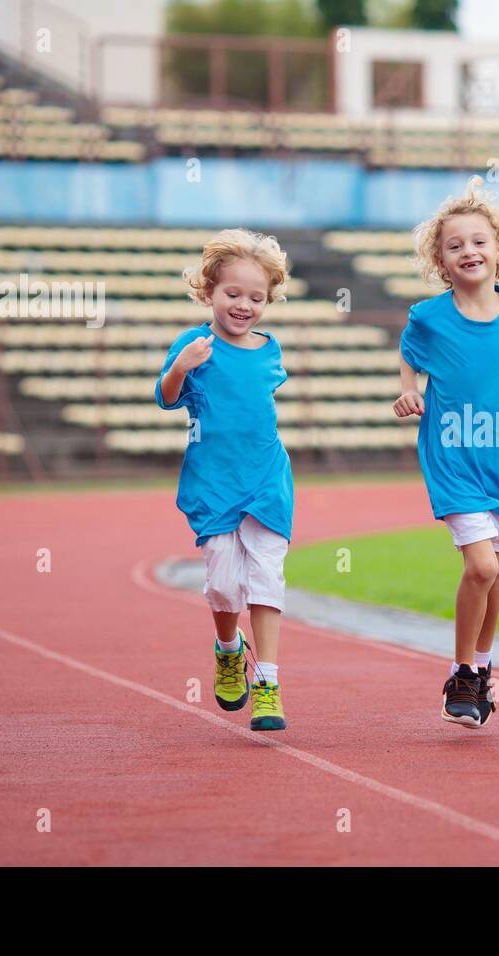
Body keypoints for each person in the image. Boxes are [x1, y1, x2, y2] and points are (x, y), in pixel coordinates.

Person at [393, 177, 499, 728]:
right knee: (481, 564)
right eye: (455, 245)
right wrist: (410, 388)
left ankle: (484, 669)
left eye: (479, 241)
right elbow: (410, 356)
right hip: (451, 455)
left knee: (498, 571)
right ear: (440, 261)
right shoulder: (428, 316)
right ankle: (462, 670)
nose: (469, 250)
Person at [155, 229, 294, 731]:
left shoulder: (270, 350)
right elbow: (167, 398)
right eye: (232, 294)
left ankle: (269, 683)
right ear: (208, 290)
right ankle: (229, 649)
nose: (243, 305)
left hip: (267, 481)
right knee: (224, 586)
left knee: (265, 577)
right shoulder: (195, 344)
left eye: (256, 297)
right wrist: (180, 367)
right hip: (212, 483)